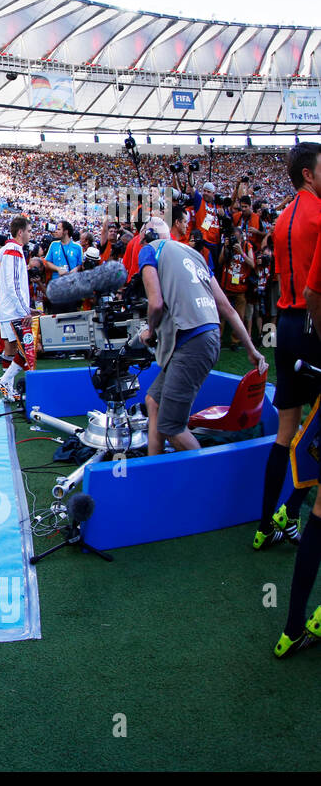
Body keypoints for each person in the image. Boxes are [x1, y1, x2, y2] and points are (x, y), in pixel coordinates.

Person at [137, 215, 266, 456]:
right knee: (153, 401)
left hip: (190, 342)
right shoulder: (195, 254)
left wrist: (149, 331)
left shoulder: (149, 250)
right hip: (209, 337)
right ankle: (152, 470)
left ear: (147, 236)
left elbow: (155, 304)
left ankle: (209, 476)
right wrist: (251, 348)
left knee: (172, 427)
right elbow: (226, 308)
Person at [254, 144, 321, 555]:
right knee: (317, 427)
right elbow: (317, 290)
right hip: (314, 324)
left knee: (287, 431)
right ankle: (292, 509)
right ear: (309, 175)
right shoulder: (320, 214)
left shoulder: (280, 220)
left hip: (286, 324)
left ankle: (267, 524)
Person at [0, 216, 33, 402]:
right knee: (26, 348)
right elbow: (14, 285)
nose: (30, 234)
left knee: (12, 350)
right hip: (13, 310)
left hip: (7, 308)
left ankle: (7, 387)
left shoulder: (6, 250)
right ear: (20, 232)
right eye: (29, 231)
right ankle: (5, 380)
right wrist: (26, 310)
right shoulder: (14, 251)